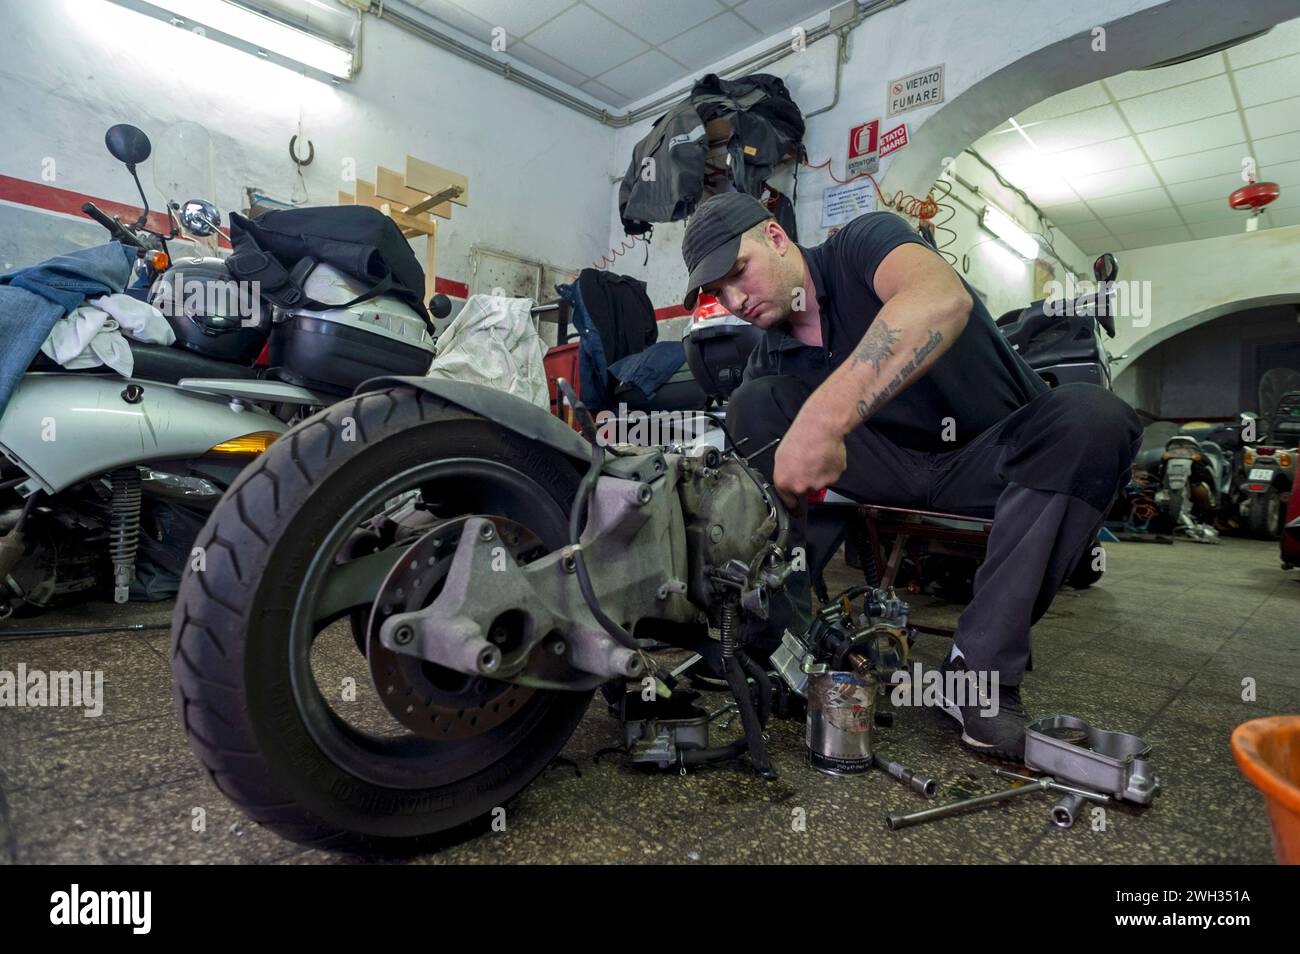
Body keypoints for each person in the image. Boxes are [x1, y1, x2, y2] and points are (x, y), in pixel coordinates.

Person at [681, 192, 1142, 760]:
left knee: (1095, 417)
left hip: (994, 458)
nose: (733, 300)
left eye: (737, 273)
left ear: (777, 238)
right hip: (889, 470)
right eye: (716, 293)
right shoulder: (771, 359)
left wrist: (823, 420)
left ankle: (978, 675)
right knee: (752, 405)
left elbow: (938, 297)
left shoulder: (861, 244)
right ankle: (787, 642)